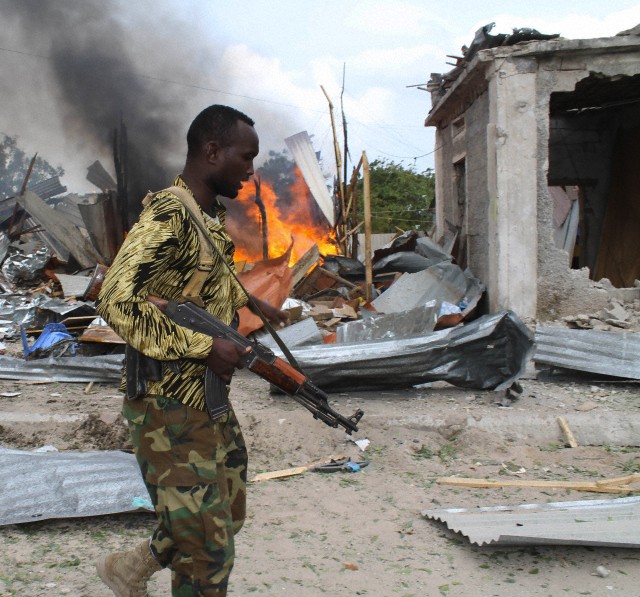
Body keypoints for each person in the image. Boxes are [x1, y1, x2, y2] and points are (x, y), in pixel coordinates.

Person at [95, 104, 288, 596]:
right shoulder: (170, 212)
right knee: (209, 550)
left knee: (226, 512)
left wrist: (251, 300)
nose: (250, 170)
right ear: (211, 151)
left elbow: (192, 287)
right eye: (246, 158)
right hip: (167, 404)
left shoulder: (207, 219)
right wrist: (205, 348)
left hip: (206, 400)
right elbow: (116, 298)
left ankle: (133, 565)